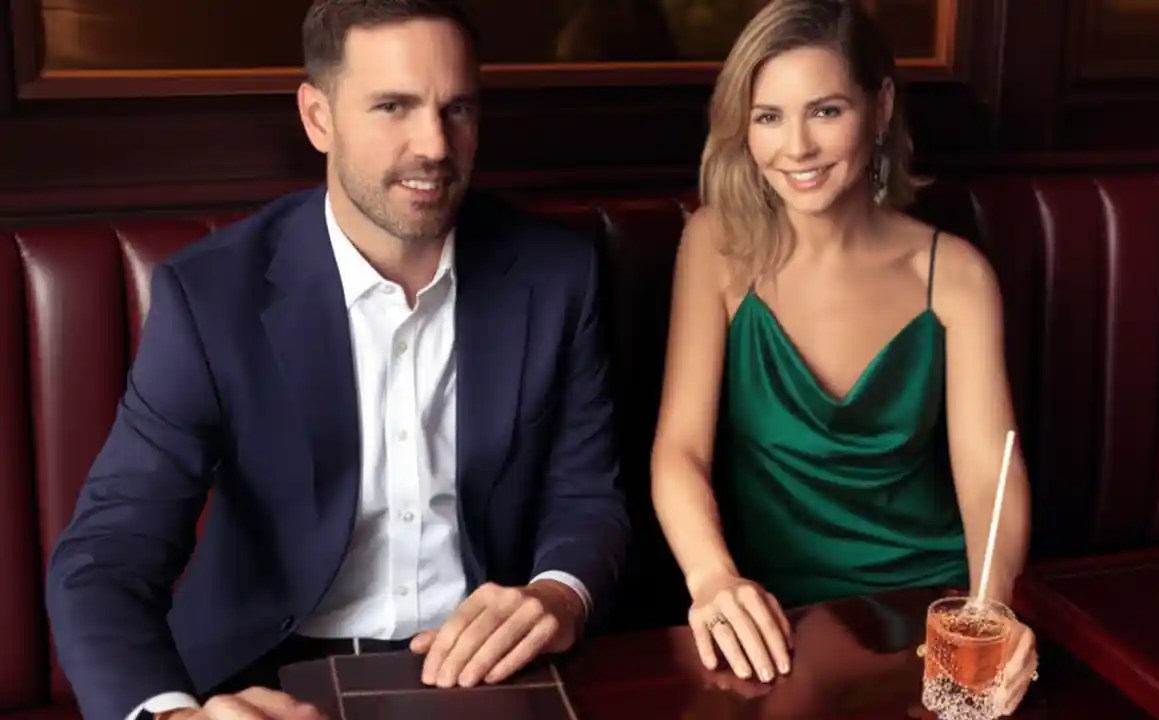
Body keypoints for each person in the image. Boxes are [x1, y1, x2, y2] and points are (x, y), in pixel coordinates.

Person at [44, 2, 629, 719]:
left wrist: (558, 594)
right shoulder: (212, 297)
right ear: (319, 118)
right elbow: (105, 559)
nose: (435, 146)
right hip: (265, 675)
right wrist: (171, 715)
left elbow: (587, 494)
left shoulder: (556, 273)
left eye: (458, 109)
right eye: (393, 106)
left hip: (485, 670)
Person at [649, 0, 1037, 714]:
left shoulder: (957, 276)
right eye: (768, 117)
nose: (795, 147)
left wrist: (995, 610)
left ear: (880, 105)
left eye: (825, 111)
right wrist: (712, 579)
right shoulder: (714, 246)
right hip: (766, 625)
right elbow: (679, 450)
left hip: (928, 611)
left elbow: (990, 471)